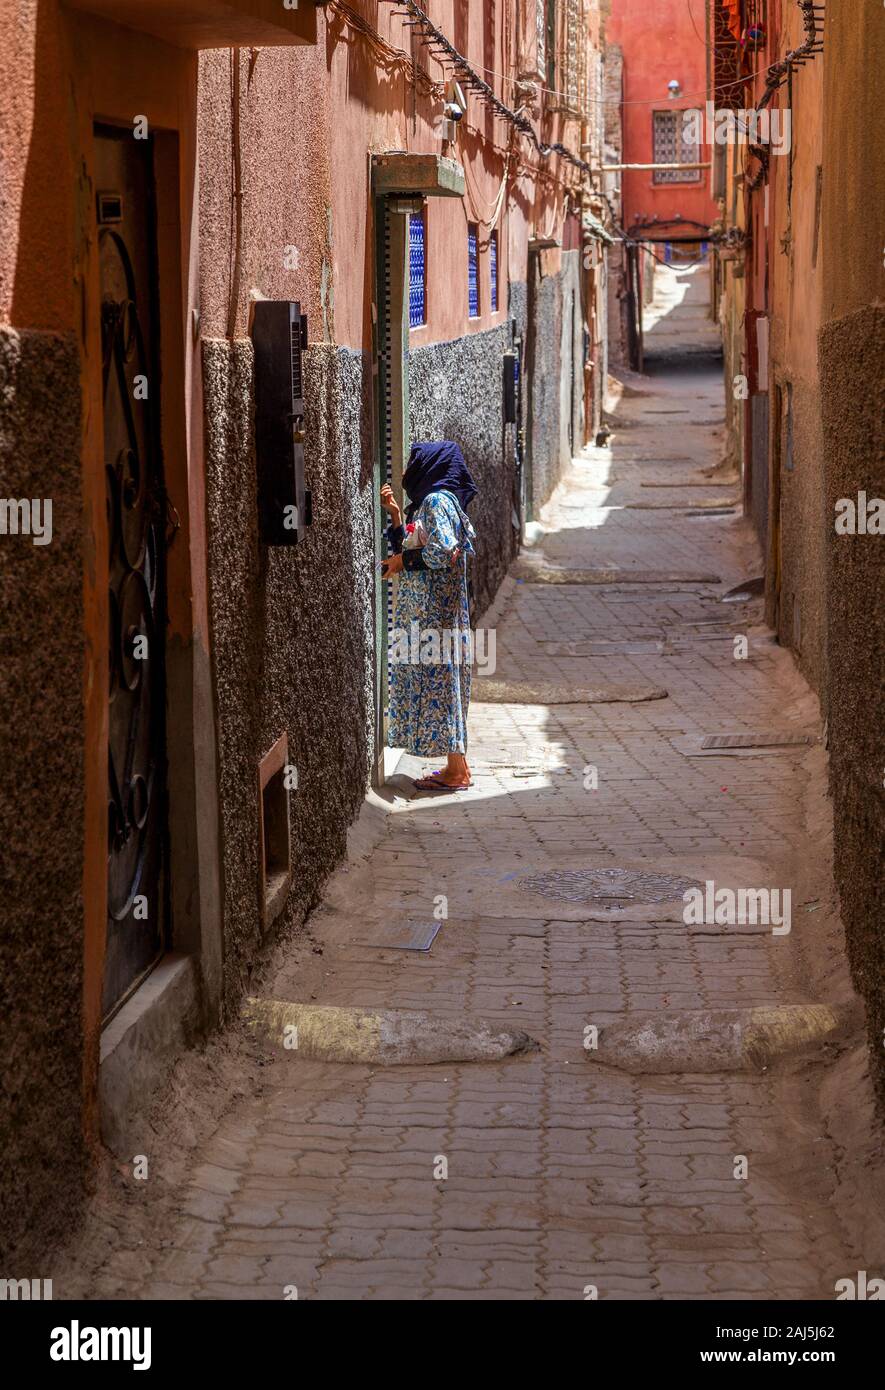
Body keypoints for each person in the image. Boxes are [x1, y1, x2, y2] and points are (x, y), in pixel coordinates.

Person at [380, 441, 477, 791]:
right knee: (445, 687)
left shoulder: (436, 502)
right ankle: (457, 768)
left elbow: (443, 552)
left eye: (412, 463)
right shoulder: (429, 505)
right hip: (430, 615)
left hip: (435, 616)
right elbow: (411, 547)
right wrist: (394, 516)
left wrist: (401, 563)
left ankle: (457, 772)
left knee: (444, 686)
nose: (405, 472)